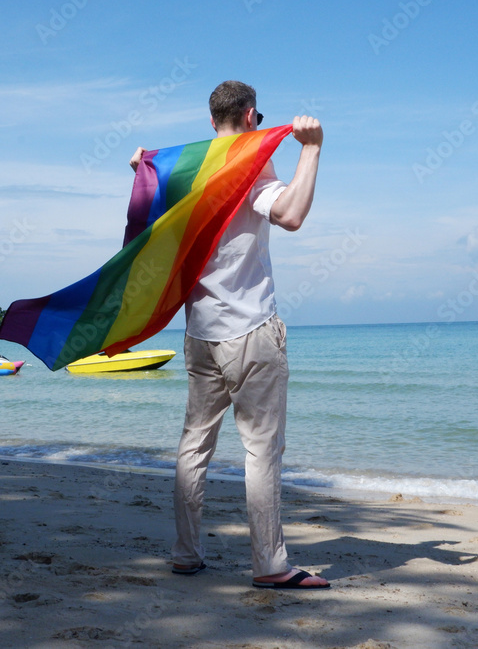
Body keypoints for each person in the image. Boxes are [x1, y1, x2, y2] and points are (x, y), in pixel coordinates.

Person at [129, 80, 327, 590]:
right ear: (252, 116)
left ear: (211, 120)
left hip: (199, 332)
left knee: (194, 444)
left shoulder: (186, 172)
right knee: (261, 450)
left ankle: (186, 554)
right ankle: (270, 565)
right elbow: (290, 214)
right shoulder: (250, 163)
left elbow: (152, 206)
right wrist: (311, 149)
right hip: (251, 328)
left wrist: (143, 169)